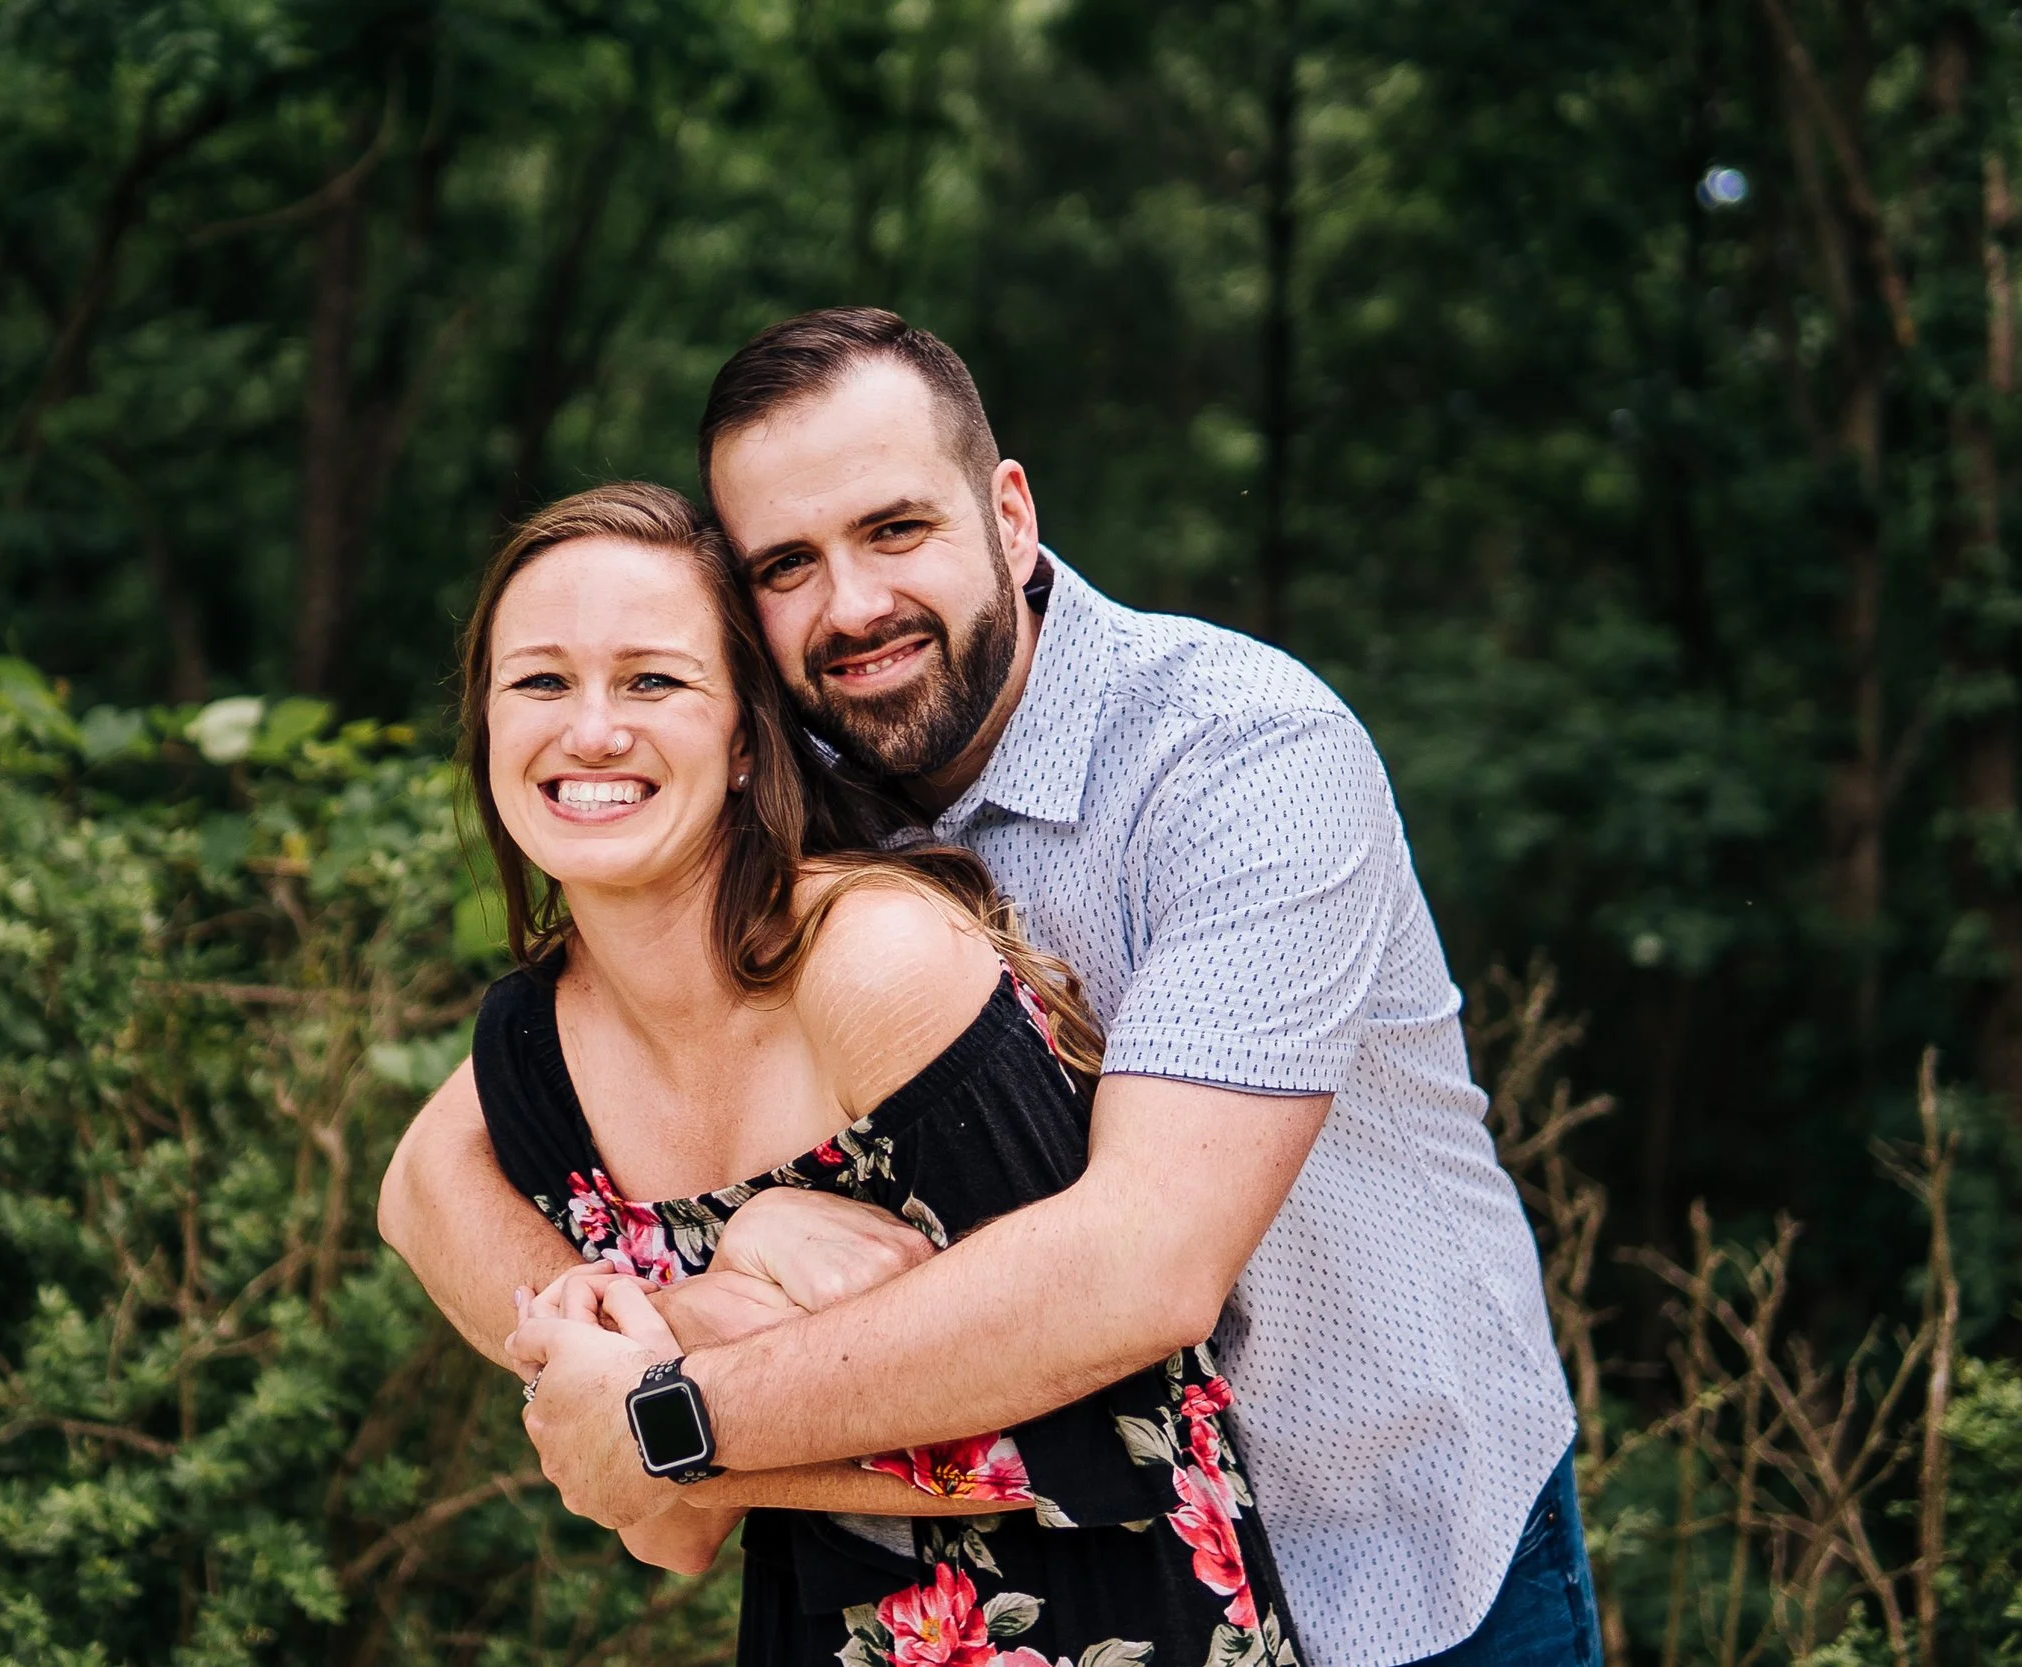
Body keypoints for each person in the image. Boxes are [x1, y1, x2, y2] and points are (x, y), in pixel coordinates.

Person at [380, 309, 1599, 1667]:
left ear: (1009, 515)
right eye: (788, 562)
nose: (850, 605)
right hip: (1027, 1568)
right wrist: (671, 1311)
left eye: (896, 529)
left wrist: (672, 1415)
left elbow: (1139, 1268)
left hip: (1400, 1545)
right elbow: (443, 1165)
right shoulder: (779, 776)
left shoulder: (1243, 756)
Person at [446, 479, 1304, 1667]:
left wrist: (680, 1359)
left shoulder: (871, 960)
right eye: (540, 680)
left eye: (652, 679)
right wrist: (715, 1335)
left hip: (1116, 1624)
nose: (591, 729)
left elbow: (1115, 1421)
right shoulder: (533, 1049)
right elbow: (664, 1525)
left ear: (746, 735)